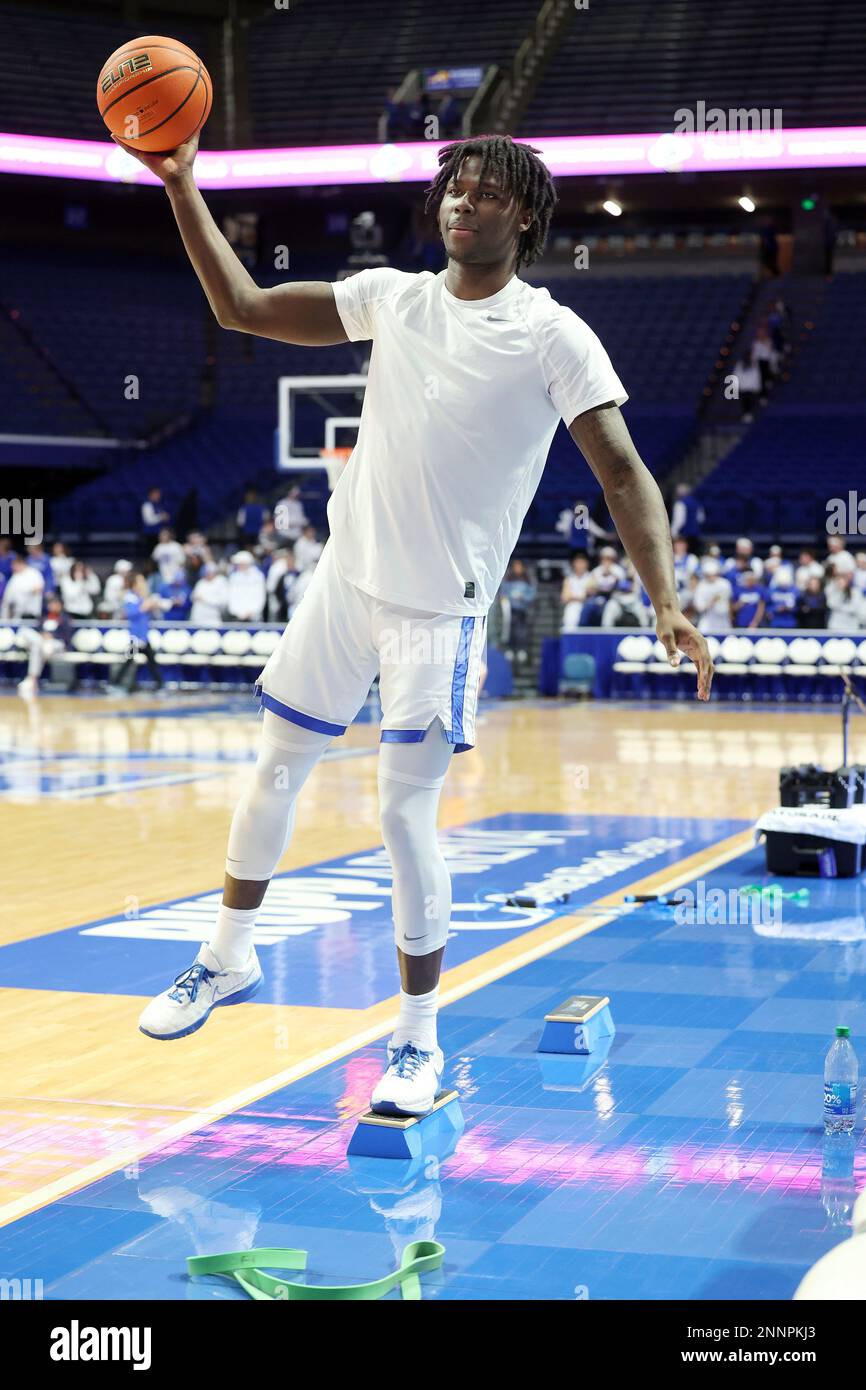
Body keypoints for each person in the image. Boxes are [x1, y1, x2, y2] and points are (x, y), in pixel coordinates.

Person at [122, 127, 712, 1118]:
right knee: (271, 770)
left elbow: (620, 470)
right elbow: (242, 305)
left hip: (438, 611)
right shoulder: (390, 297)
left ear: (522, 215)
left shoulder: (548, 332)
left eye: (483, 193)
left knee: (401, 817)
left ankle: (416, 1038)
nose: (460, 202)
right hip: (342, 586)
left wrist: (661, 596)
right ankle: (225, 955)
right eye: (452, 187)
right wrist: (182, 183)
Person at [112, 572, 164, 693]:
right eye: (140, 581)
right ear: (134, 584)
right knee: (130, 661)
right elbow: (130, 614)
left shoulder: (140, 597)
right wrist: (144, 607)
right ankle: (114, 684)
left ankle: (160, 685)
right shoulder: (130, 597)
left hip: (143, 635)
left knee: (151, 662)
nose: (143, 584)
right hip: (136, 636)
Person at [16, 595, 74, 700]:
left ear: (61, 606)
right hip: (43, 644)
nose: (53, 606)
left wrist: (52, 636)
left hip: (57, 644)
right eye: (51, 604)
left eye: (55, 604)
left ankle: (31, 679)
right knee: (27, 634)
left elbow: (67, 637)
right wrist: (43, 636)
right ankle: (33, 679)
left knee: (38, 646)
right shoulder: (44, 618)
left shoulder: (65, 619)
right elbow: (38, 631)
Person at [693, 558, 733, 634]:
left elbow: (729, 602)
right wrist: (712, 602)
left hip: (724, 620)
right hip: (708, 619)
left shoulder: (725, 584)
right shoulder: (701, 586)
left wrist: (730, 619)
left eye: (714, 575)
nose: (712, 577)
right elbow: (699, 607)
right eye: (709, 575)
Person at [0, 552, 45, 619]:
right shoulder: (15, 577)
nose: (12, 567)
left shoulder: (33, 573)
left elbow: (39, 588)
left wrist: (27, 591)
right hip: (16, 613)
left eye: (14, 564)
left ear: (21, 563)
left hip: (30, 613)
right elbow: (7, 597)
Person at [227, 551, 266, 622]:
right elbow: (231, 596)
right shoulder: (234, 577)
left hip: (254, 617)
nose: (238, 565)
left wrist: (252, 612)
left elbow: (260, 597)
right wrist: (238, 613)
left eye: (239, 563)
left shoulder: (258, 576)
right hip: (237, 616)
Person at [560, 553, 592, 632]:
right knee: (571, 611)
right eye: (578, 563)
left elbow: (586, 596)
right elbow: (564, 597)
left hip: (586, 607)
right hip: (571, 607)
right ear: (574, 564)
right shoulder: (569, 579)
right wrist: (580, 597)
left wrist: (572, 596)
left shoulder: (591, 577)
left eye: (582, 563)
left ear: (586, 564)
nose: (580, 565)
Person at [190, 561, 229, 626]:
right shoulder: (201, 582)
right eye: (206, 572)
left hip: (213, 619)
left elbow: (222, 602)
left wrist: (204, 599)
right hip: (198, 618)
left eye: (210, 572)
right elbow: (193, 596)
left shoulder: (221, 582)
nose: (208, 574)